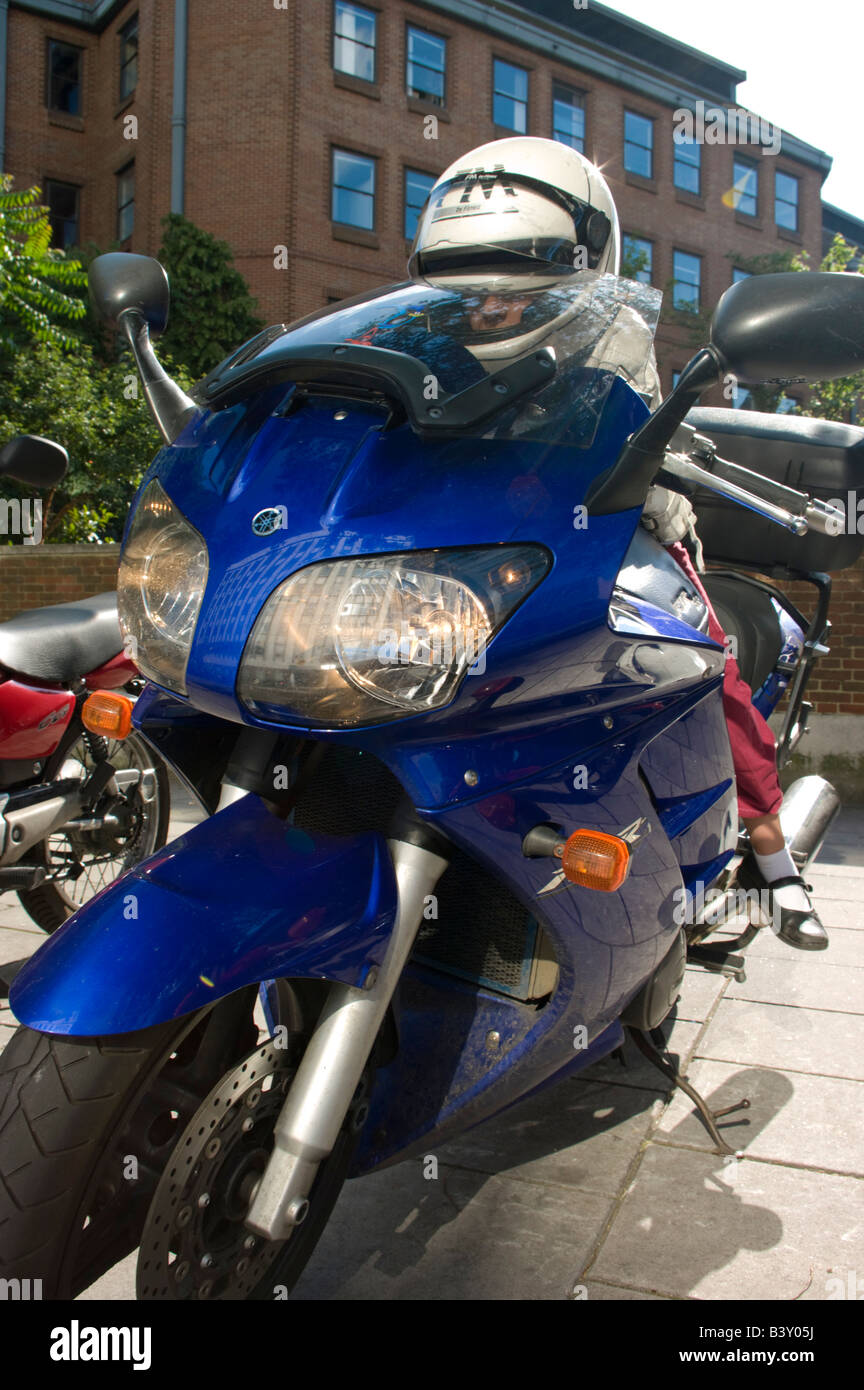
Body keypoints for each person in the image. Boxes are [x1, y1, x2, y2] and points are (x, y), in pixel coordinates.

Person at [408, 134, 828, 951]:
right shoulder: (424, 345)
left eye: (517, 270)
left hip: (607, 534)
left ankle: (770, 854)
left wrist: (651, 481)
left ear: (577, 259)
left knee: (701, 665)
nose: (490, 303)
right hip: (474, 548)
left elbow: (631, 433)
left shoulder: (612, 336)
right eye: (470, 278)